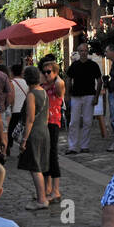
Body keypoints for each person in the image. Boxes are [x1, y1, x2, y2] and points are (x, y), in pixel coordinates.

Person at [16, 65, 51, 211]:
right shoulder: (43, 92)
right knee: (40, 165)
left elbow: (30, 119)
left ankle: (41, 199)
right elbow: (47, 116)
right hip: (44, 131)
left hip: (34, 133)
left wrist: (24, 140)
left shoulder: (31, 95)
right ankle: (42, 196)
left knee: (35, 167)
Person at [65, 43, 102, 155]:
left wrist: (96, 96)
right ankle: (72, 146)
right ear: (78, 52)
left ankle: (84, 145)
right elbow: (68, 79)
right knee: (74, 121)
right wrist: (67, 94)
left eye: (85, 50)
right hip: (76, 96)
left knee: (87, 122)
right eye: (81, 51)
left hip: (89, 95)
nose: (83, 53)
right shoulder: (74, 65)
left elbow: (99, 81)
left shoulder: (93, 65)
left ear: (88, 52)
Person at [40, 60, 65, 203]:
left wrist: (56, 76)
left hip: (53, 123)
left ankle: (56, 190)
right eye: (44, 72)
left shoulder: (58, 84)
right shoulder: (43, 86)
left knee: (53, 155)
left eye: (49, 71)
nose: (46, 74)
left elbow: (60, 86)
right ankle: (47, 188)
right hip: (43, 123)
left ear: (55, 73)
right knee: (45, 155)